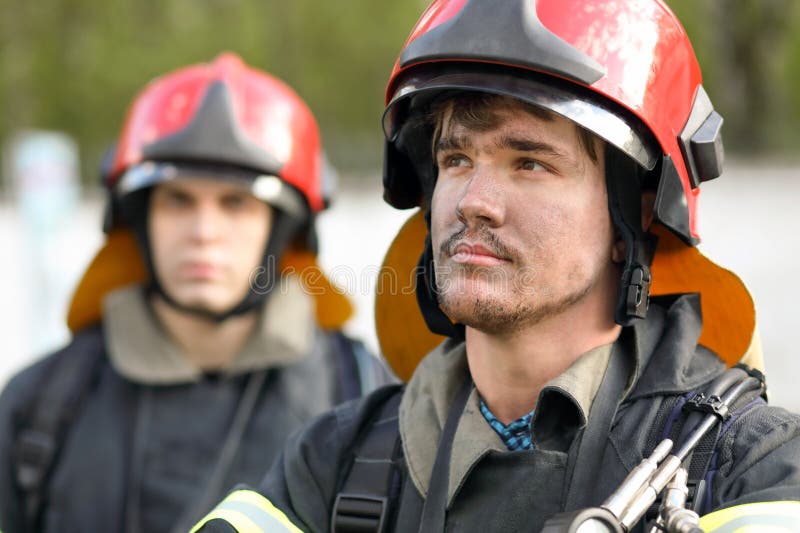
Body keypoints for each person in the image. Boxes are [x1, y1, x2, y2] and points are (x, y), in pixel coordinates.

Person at [190, 2, 800, 532]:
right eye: (456, 159)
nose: (472, 201)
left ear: (634, 216)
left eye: (529, 163)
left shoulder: (747, 469)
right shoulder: (333, 464)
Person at [0, 53, 393, 533]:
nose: (204, 231)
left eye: (236, 204)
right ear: (139, 220)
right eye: (177, 200)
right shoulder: (37, 407)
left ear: (284, 230)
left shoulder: (366, 398)